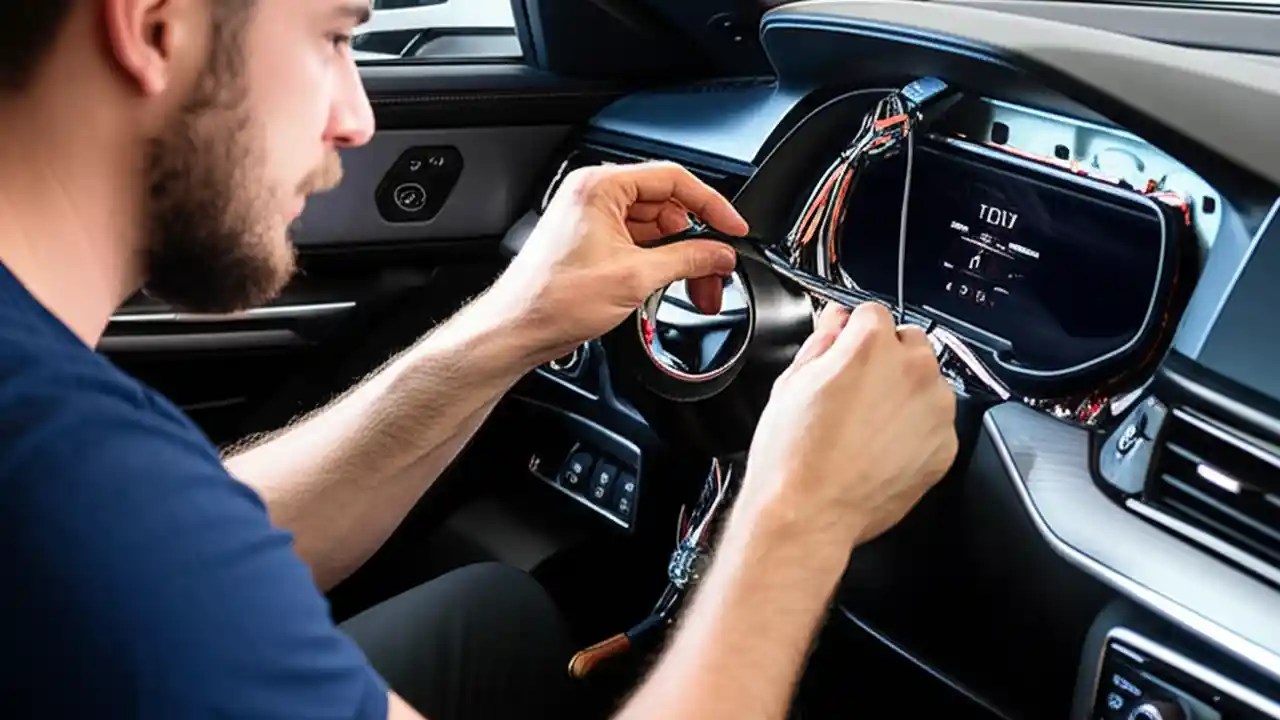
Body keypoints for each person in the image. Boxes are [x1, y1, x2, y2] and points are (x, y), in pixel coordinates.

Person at [0, 1, 958, 719]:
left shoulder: (62, 440)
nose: (356, 117)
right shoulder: (68, 481)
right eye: (334, 38)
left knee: (493, 618)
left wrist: (511, 325)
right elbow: (133, 550)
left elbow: (189, 545)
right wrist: (800, 515)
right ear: (154, 25)